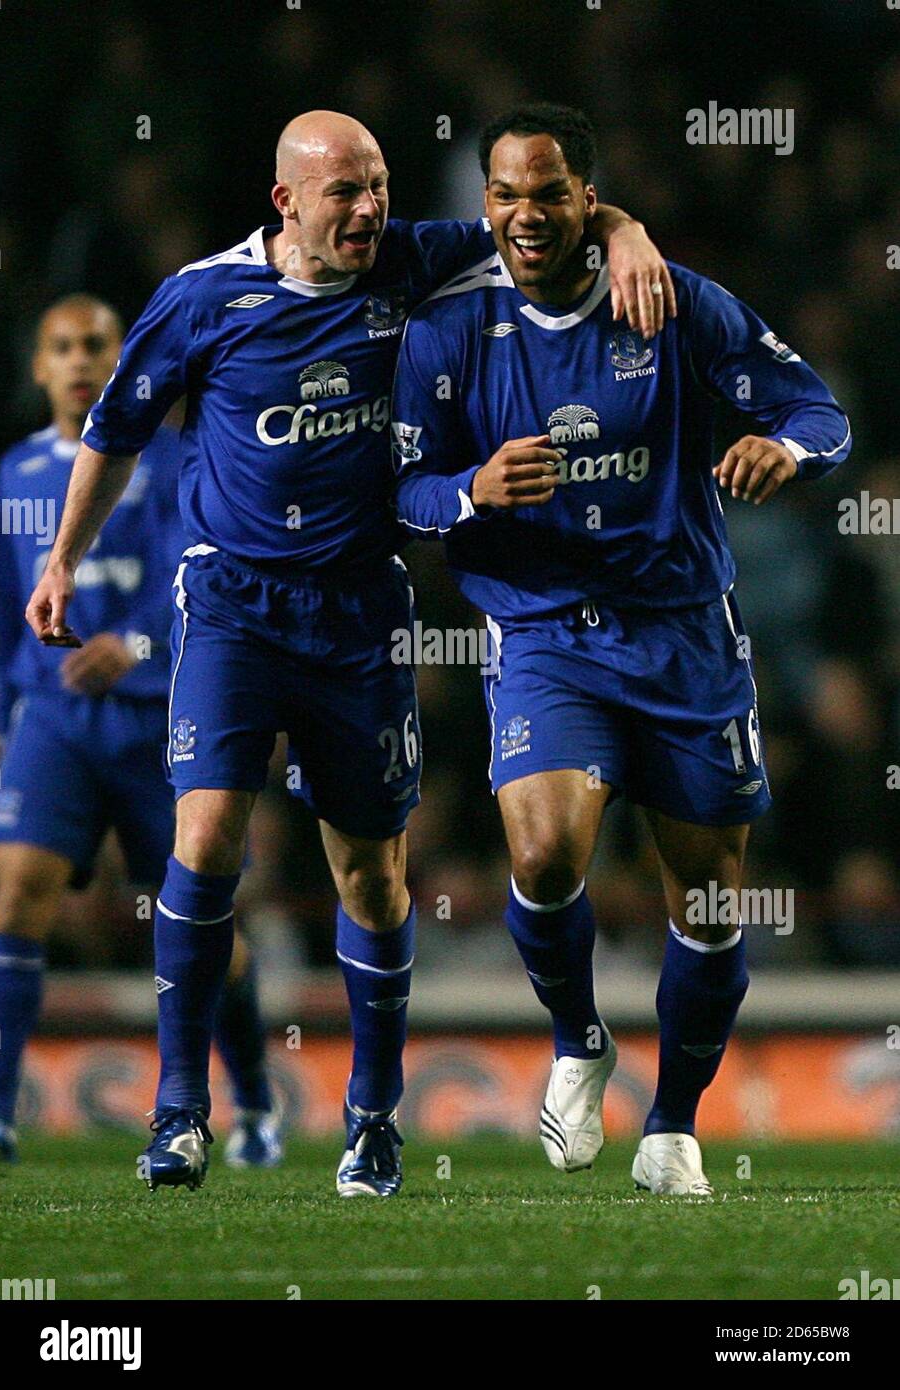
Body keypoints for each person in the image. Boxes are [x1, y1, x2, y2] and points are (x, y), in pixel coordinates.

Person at [25, 110, 673, 1196]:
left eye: (377, 185)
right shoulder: (201, 298)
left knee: (371, 877)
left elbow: (540, 225)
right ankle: (181, 1109)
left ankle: (372, 1118)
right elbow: (115, 431)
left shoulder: (410, 260)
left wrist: (630, 231)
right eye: (345, 194)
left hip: (358, 613)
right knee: (208, 833)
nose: (371, 208)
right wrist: (59, 562)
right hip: (231, 601)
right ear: (286, 204)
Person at [391, 103, 851, 1196]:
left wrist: (780, 448)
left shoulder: (669, 302)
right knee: (545, 854)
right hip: (546, 631)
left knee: (708, 897)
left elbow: (816, 409)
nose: (524, 215)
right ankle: (578, 1036)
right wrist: (469, 489)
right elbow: (400, 493)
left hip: (683, 630)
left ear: (586, 201)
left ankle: (673, 1126)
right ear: (484, 203)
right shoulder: (449, 332)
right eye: (505, 194)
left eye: (547, 193)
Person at [0, 296, 281, 1170]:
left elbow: (201, 575)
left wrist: (138, 642)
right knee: (14, 897)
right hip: (53, 718)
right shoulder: (15, 473)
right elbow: (9, 611)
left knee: (202, 919)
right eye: (63, 348)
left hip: (161, 714)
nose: (81, 361)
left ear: (124, 359)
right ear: (39, 366)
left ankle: (257, 1103)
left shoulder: (169, 455)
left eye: (97, 347)